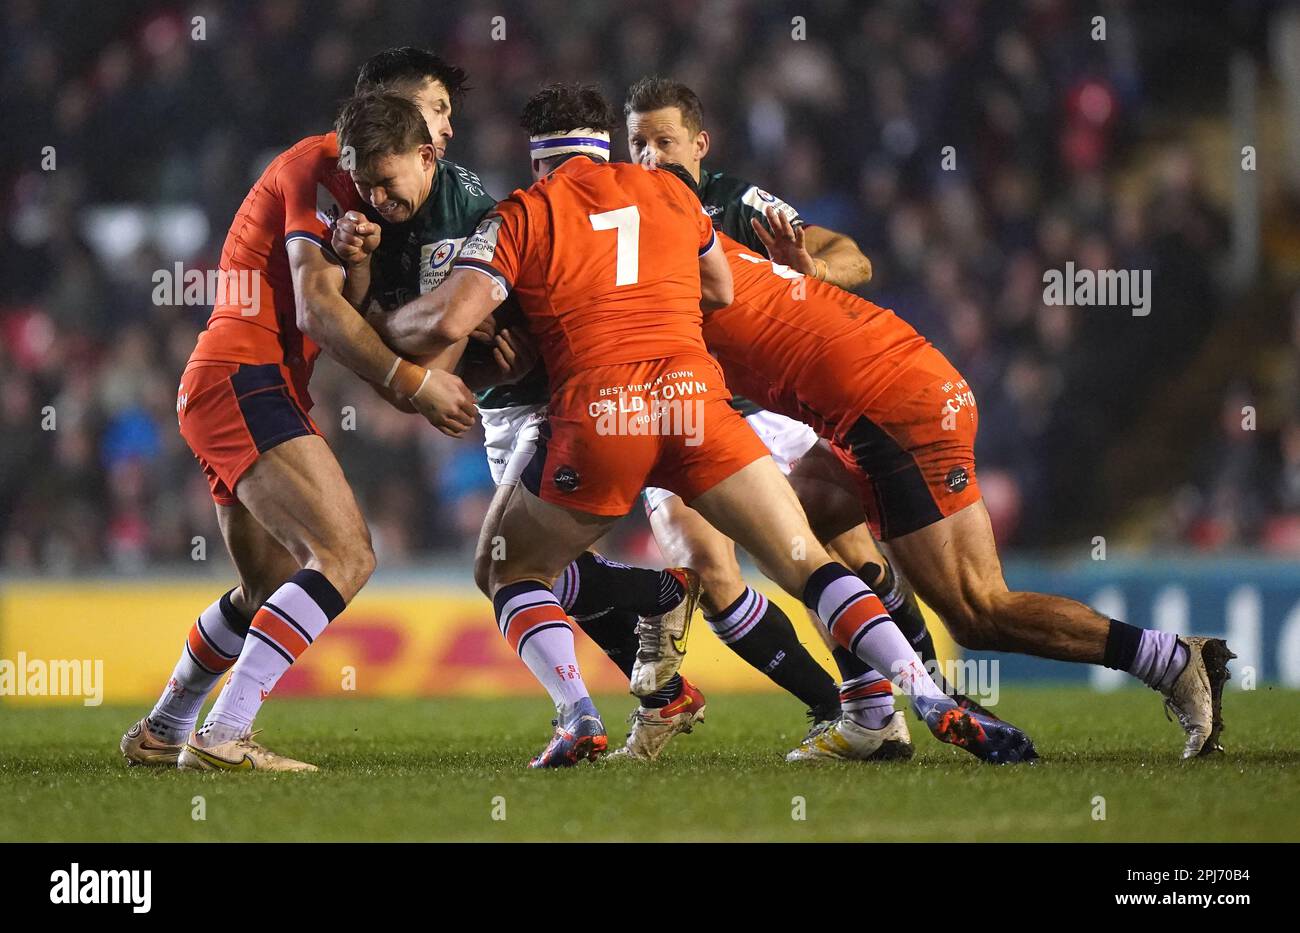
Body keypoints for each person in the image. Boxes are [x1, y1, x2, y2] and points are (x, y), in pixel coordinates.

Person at [370, 82, 1038, 767]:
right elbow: (719, 288)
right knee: (805, 560)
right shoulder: (672, 196)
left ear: (537, 159)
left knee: (506, 568)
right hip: (696, 399)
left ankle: (578, 713)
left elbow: (449, 322)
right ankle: (926, 694)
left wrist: (381, 323)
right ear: (609, 144)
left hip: (605, 411)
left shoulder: (524, 211)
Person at [691, 214, 1235, 760]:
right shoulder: (695, 246)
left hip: (888, 411)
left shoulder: (662, 274)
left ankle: (1171, 661)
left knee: (979, 611)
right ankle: (873, 711)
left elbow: (843, 259)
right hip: (901, 385)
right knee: (800, 523)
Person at [120, 49, 478, 772]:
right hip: (243, 376)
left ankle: (166, 727)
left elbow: (349, 305)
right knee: (347, 553)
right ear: (378, 112)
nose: (441, 127)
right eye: (428, 110)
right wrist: (411, 382)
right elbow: (318, 311)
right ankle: (225, 731)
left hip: (233, 381)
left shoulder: (364, 196)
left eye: (445, 113)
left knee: (267, 590)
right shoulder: (315, 169)